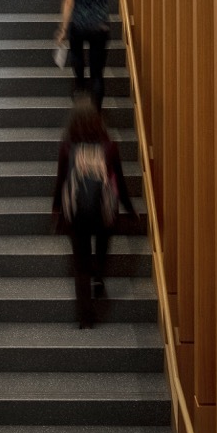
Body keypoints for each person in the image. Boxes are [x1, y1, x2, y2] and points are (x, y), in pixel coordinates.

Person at [52, 93, 128, 328]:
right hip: (103, 212)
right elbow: (121, 184)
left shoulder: (67, 148)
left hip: (77, 214)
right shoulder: (109, 147)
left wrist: (56, 210)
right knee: (104, 238)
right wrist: (129, 208)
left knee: (80, 264)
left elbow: (61, 181)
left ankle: (86, 317)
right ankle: (99, 273)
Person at [56, 0, 115, 109]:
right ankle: (96, 116)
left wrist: (63, 30)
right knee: (97, 74)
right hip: (100, 26)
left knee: (79, 68)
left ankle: (80, 103)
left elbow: (69, 3)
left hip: (79, 27)